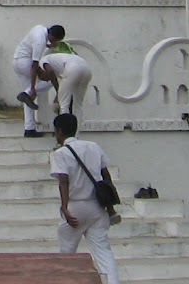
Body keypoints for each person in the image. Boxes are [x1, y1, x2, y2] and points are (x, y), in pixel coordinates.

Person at [49, 112, 120, 284]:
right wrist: (109, 205)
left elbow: (64, 181)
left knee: (67, 252)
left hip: (75, 206)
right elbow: (105, 175)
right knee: (103, 252)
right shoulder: (93, 146)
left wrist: (64, 207)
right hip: (97, 206)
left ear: (59, 131)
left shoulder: (60, 153)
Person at [14, 23, 64, 137]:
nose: (54, 42)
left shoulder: (40, 29)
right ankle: (27, 93)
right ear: (52, 36)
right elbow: (34, 65)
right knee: (51, 79)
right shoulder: (40, 42)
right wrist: (33, 88)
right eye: (55, 40)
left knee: (29, 99)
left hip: (17, 61)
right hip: (25, 63)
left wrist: (48, 45)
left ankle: (29, 129)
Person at [37, 49, 94, 117]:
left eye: (44, 78)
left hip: (72, 68)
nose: (47, 80)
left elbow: (50, 71)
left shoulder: (42, 61)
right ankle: (79, 123)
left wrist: (57, 89)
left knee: (64, 104)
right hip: (87, 69)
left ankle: (65, 122)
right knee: (78, 104)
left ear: (40, 71)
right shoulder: (58, 66)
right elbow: (66, 87)